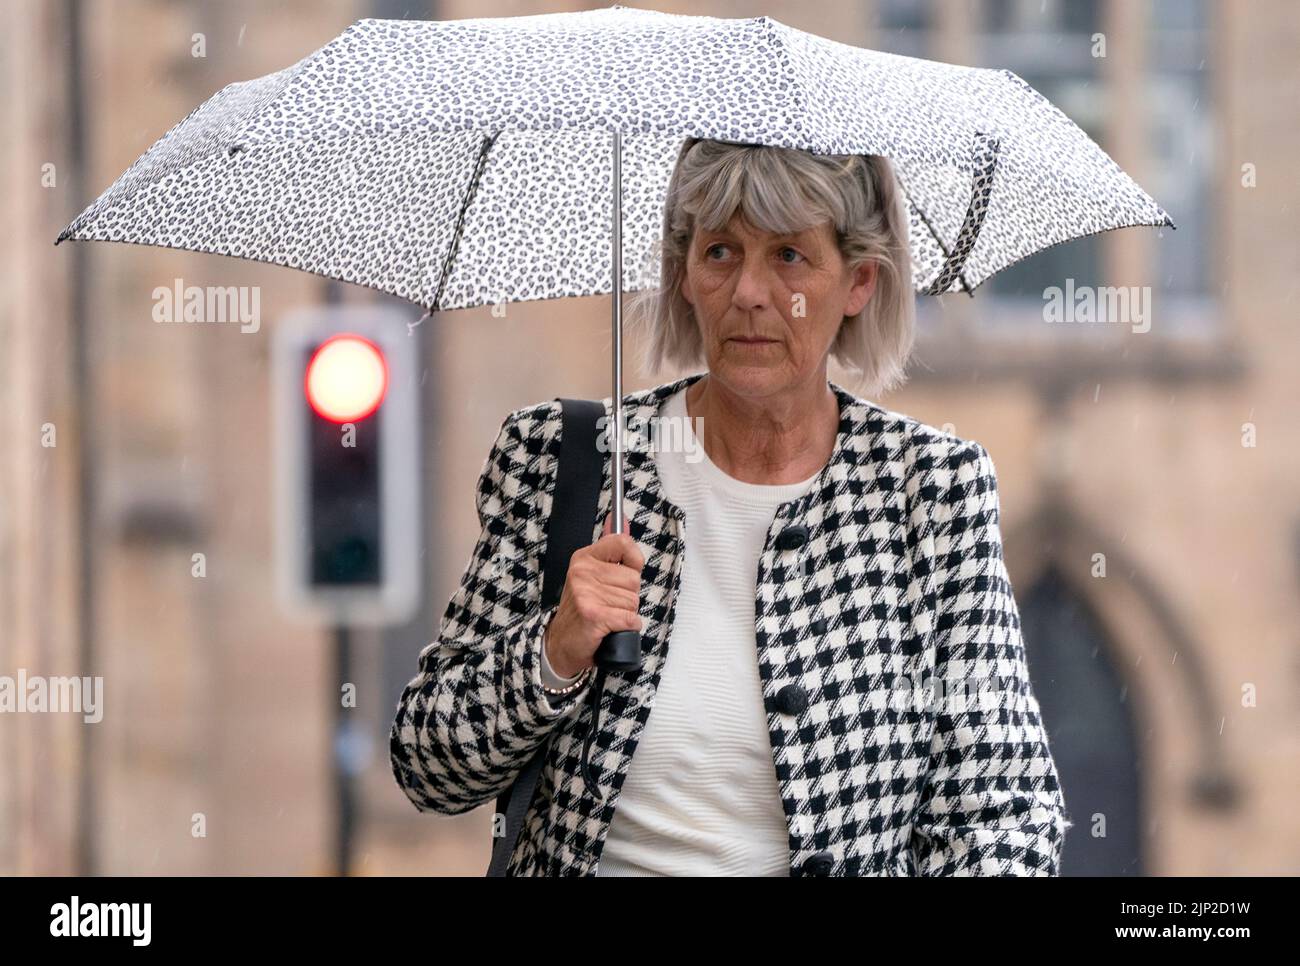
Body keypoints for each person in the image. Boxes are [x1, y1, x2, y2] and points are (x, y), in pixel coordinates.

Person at [389, 137, 1070, 876]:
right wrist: (553, 653)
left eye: (788, 256)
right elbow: (428, 765)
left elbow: (1004, 811)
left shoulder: (931, 490)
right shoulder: (564, 458)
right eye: (719, 252)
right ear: (684, 275)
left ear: (859, 282)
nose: (748, 291)